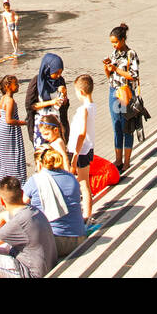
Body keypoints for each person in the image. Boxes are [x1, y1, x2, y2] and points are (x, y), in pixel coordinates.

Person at [0, 176, 56, 278]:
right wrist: (1, 216)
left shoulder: (18, 222)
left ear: (2, 201)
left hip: (32, 273)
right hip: (46, 265)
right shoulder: (33, 210)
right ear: (22, 194)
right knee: (2, 246)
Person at [24, 147, 87, 260]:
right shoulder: (71, 177)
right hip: (79, 238)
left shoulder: (35, 180)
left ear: (39, 163)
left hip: (53, 242)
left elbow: (19, 207)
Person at [102, 23, 139, 176]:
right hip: (114, 91)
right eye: (112, 43)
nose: (114, 45)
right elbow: (109, 76)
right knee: (116, 125)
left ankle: (127, 161)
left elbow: (134, 75)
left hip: (126, 93)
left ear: (123, 40)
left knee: (127, 127)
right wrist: (107, 68)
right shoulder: (114, 54)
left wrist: (116, 69)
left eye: (116, 42)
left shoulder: (131, 54)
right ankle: (118, 159)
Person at [0, 74, 27, 190]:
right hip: (8, 132)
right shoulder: (10, 100)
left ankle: (1, 184)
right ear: (7, 86)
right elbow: (9, 120)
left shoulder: (3, 98)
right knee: (13, 157)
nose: (17, 86)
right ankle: (13, 184)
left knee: (2, 158)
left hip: (0, 130)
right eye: (15, 84)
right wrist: (24, 122)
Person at [68, 74, 95, 222]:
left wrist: (75, 156)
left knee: (83, 184)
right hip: (87, 149)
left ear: (82, 92)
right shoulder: (92, 106)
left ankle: (85, 215)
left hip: (80, 151)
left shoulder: (84, 110)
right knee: (84, 183)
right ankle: (86, 213)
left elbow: (82, 133)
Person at [27, 53, 68, 148]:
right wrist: (50, 102)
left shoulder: (60, 81)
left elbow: (64, 103)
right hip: (42, 126)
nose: (58, 75)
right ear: (48, 69)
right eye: (56, 72)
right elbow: (31, 106)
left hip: (56, 125)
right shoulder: (36, 82)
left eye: (60, 72)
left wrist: (64, 94)